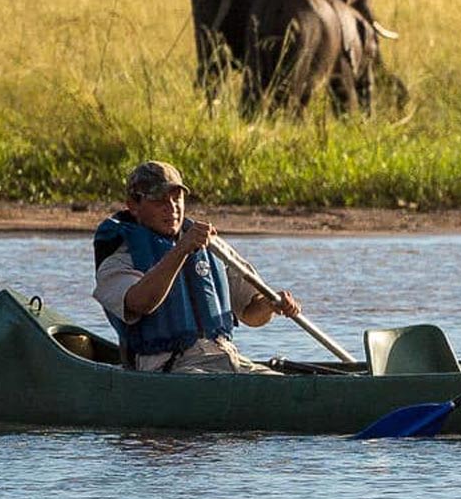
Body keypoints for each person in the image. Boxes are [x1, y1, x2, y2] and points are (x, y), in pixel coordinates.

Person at [92, 160, 303, 374]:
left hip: (227, 358)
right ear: (134, 205)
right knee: (213, 383)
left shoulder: (209, 245)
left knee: (279, 381)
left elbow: (251, 315)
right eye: (159, 201)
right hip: (169, 368)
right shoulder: (120, 258)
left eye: (177, 198)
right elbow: (140, 303)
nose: (172, 208)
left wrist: (270, 304)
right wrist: (181, 250)